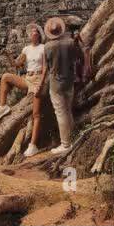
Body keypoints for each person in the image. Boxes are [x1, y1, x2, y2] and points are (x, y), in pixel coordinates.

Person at [0, 23, 45, 158]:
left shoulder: (43, 48)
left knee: (36, 113)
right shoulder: (26, 49)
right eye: (31, 32)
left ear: (39, 35)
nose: (33, 34)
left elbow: (46, 68)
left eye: (35, 32)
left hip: (38, 79)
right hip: (27, 78)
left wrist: (41, 84)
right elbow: (17, 64)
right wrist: (8, 55)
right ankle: (3, 106)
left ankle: (33, 145)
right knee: (5, 77)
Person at [36, 17, 84, 155]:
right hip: (69, 81)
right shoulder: (70, 43)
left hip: (56, 83)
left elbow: (46, 68)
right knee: (68, 110)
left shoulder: (47, 47)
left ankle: (65, 144)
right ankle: (73, 138)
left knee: (60, 112)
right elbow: (80, 57)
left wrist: (40, 85)